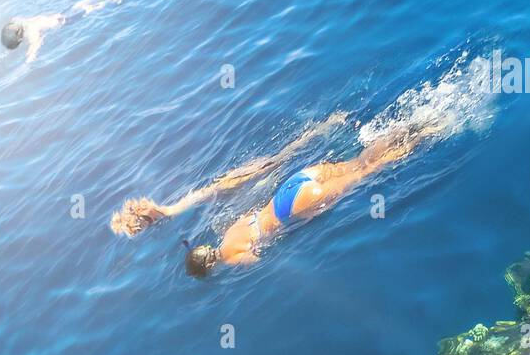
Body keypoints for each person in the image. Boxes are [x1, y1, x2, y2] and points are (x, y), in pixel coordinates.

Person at [113, 113, 444, 275]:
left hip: (295, 207)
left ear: (210, 267)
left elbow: (258, 260)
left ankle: (428, 132)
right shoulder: (228, 232)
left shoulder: (231, 257)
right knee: (359, 162)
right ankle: (412, 124)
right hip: (292, 184)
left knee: (368, 171)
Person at [1, 0, 143, 62]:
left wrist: (30, 58)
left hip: (67, 20)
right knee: (88, 2)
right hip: (62, 13)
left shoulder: (32, 31)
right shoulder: (24, 22)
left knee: (96, 7)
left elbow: (36, 43)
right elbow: (15, 19)